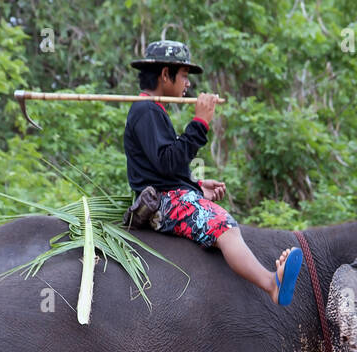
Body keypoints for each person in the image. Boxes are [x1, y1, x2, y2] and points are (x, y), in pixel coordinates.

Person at [124, 40, 302, 306]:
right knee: (224, 226)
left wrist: (195, 186)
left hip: (171, 193)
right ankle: (270, 284)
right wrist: (200, 122)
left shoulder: (152, 110)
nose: (187, 84)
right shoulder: (145, 110)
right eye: (184, 75)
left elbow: (162, 167)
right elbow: (168, 162)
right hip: (163, 203)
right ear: (165, 75)